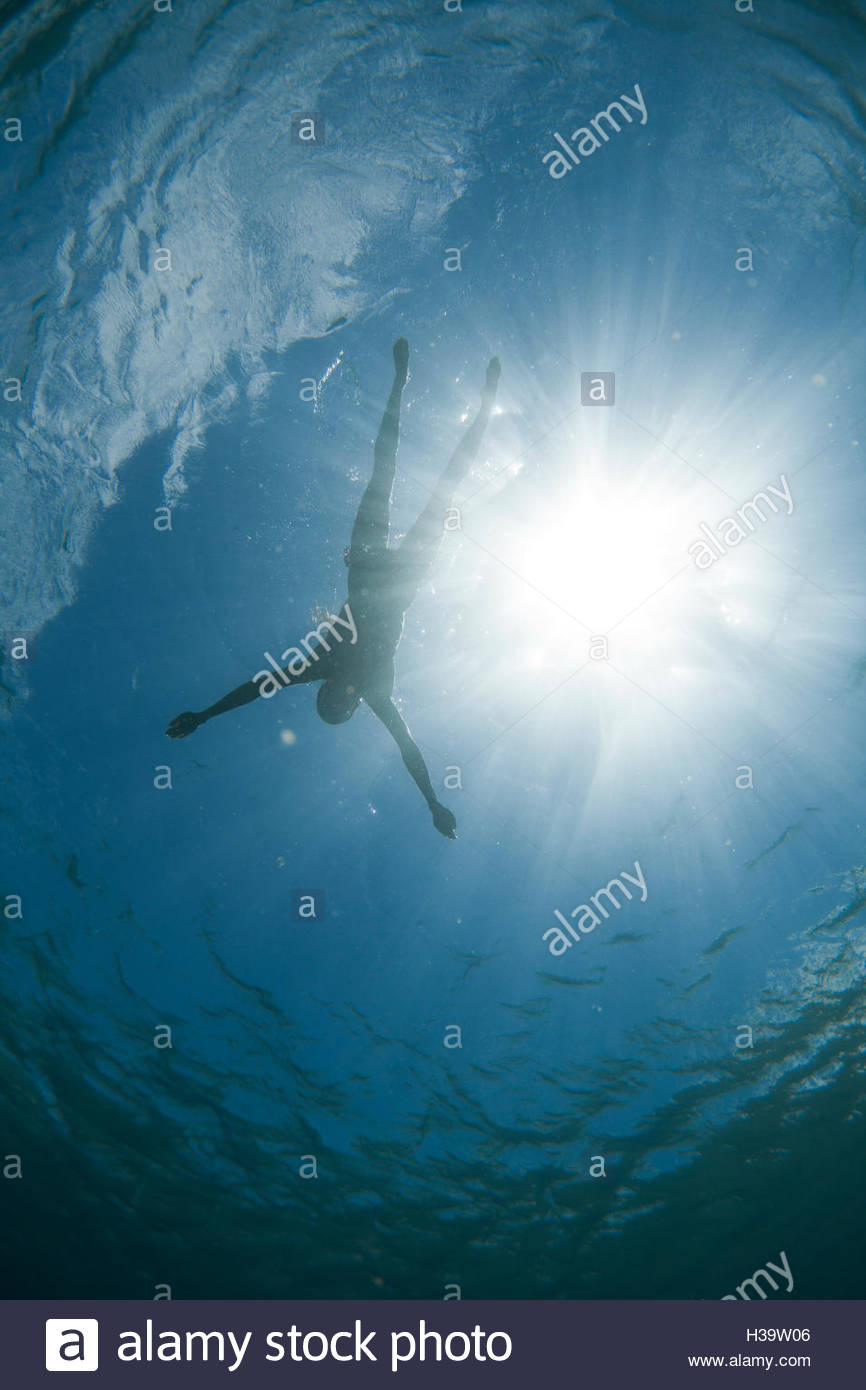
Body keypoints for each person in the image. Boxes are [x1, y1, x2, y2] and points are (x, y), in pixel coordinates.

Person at [167, 338, 501, 838]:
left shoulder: (318, 665)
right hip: (400, 577)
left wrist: (206, 715)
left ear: (323, 690)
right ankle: (485, 406)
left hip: (366, 570)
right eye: (342, 706)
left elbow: (258, 688)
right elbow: (408, 749)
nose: (340, 695)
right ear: (350, 706)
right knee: (443, 488)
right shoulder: (374, 695)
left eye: (329, 698)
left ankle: (399, 382)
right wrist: (432, 801)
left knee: (382, 471)